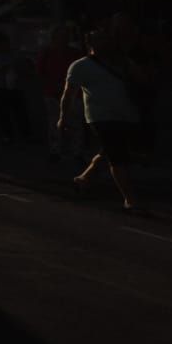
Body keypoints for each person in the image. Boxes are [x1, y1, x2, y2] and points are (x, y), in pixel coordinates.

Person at [61, 29, 144, 210]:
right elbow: (68, 94)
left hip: (127, 116)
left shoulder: (121, 62)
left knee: (111, 150)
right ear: (90, 43)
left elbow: (141, 78)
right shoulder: (80, 66)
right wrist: (63, 118)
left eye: (107, 39)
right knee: (117, 157)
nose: (105, 43)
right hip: (101, 117)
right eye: (100, 40)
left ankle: (85, 177)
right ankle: (130, 200)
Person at [37, 25, 83, 161]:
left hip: (73, 93)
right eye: (60, 36)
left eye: (65, 36)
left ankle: (77, 152)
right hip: (52, 93)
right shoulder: (46, 53)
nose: (63, 39)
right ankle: (55, 151)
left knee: (75, 123)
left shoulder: (75, 53)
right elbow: (40, 73)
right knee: (54, 123)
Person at [0, 31, 32, 143]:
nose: (3, 46)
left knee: (20, 111)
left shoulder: (15, 54)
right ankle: (7, 134)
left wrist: (17, 70)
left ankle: (25, 134)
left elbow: (24, 68)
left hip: (14, 86)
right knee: (2, 112)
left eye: (5, 43)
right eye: (0, 44)